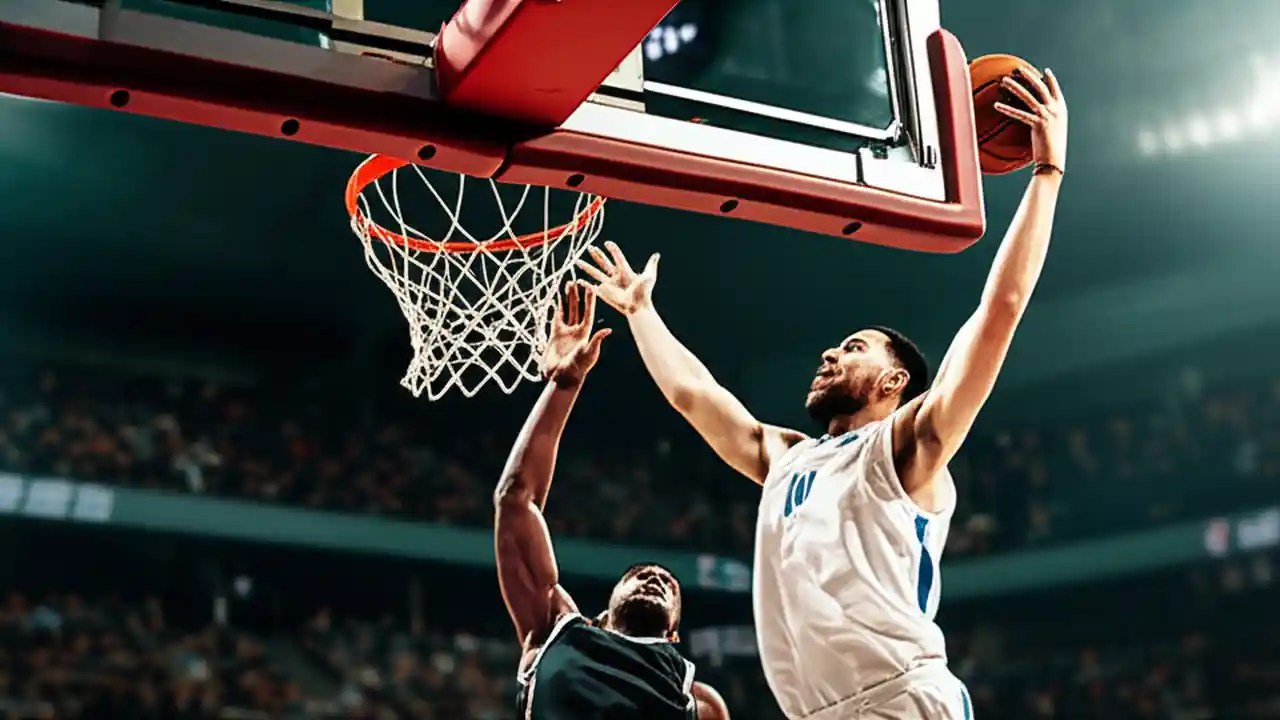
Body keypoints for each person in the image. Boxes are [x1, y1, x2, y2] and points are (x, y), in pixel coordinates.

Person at [577, 67, 1069, 719]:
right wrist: (641, 312)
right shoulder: (787, 457)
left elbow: (1000, 307)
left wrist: (1047, 175)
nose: (831, 352)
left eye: (856, 347)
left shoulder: (908, 449)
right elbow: (694, 395)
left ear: (895, 382)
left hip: (903, 700)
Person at [494, 282, 730, 720]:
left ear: (675, 633)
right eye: (639, 574)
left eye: (667, 583)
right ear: (603, 612)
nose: (656, 577)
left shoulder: (700, 701)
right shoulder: (555, 631)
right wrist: (563, 385)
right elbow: (515, 500)